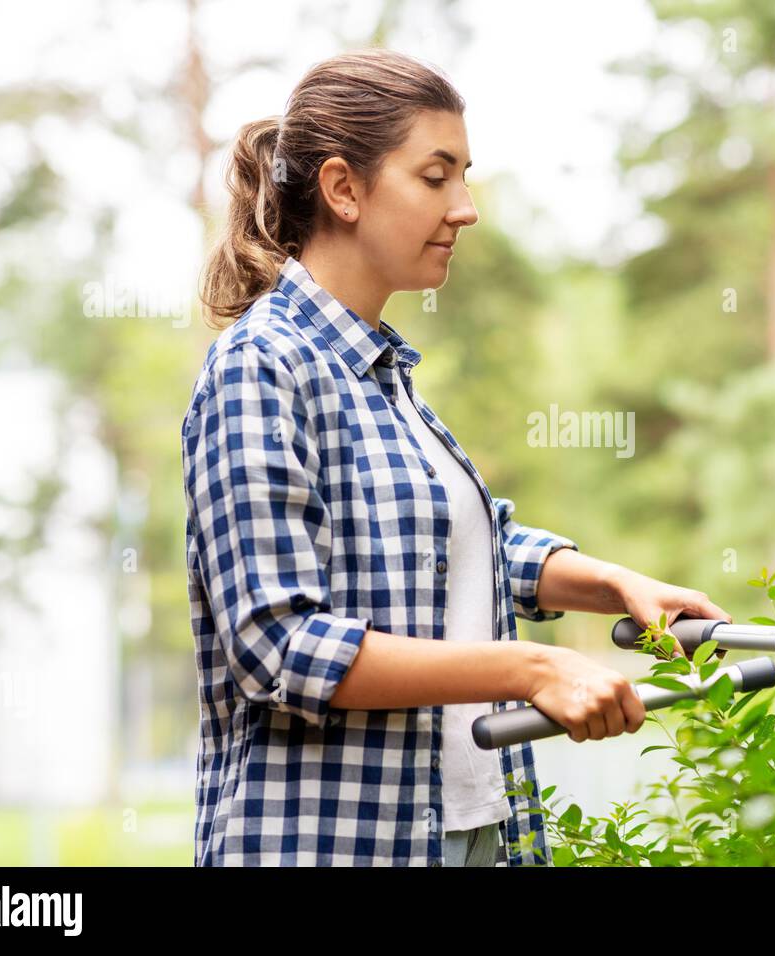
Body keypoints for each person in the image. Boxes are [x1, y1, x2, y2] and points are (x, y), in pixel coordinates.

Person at [183, 47, 731, 867]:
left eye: (464, 176)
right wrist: (529, 666)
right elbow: (279, 643)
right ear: (343, 189)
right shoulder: (261, 368)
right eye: (436, 177)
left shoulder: (383, 376)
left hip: (467, 832)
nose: (466, 208)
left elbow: (460, 549)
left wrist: (614, 583)